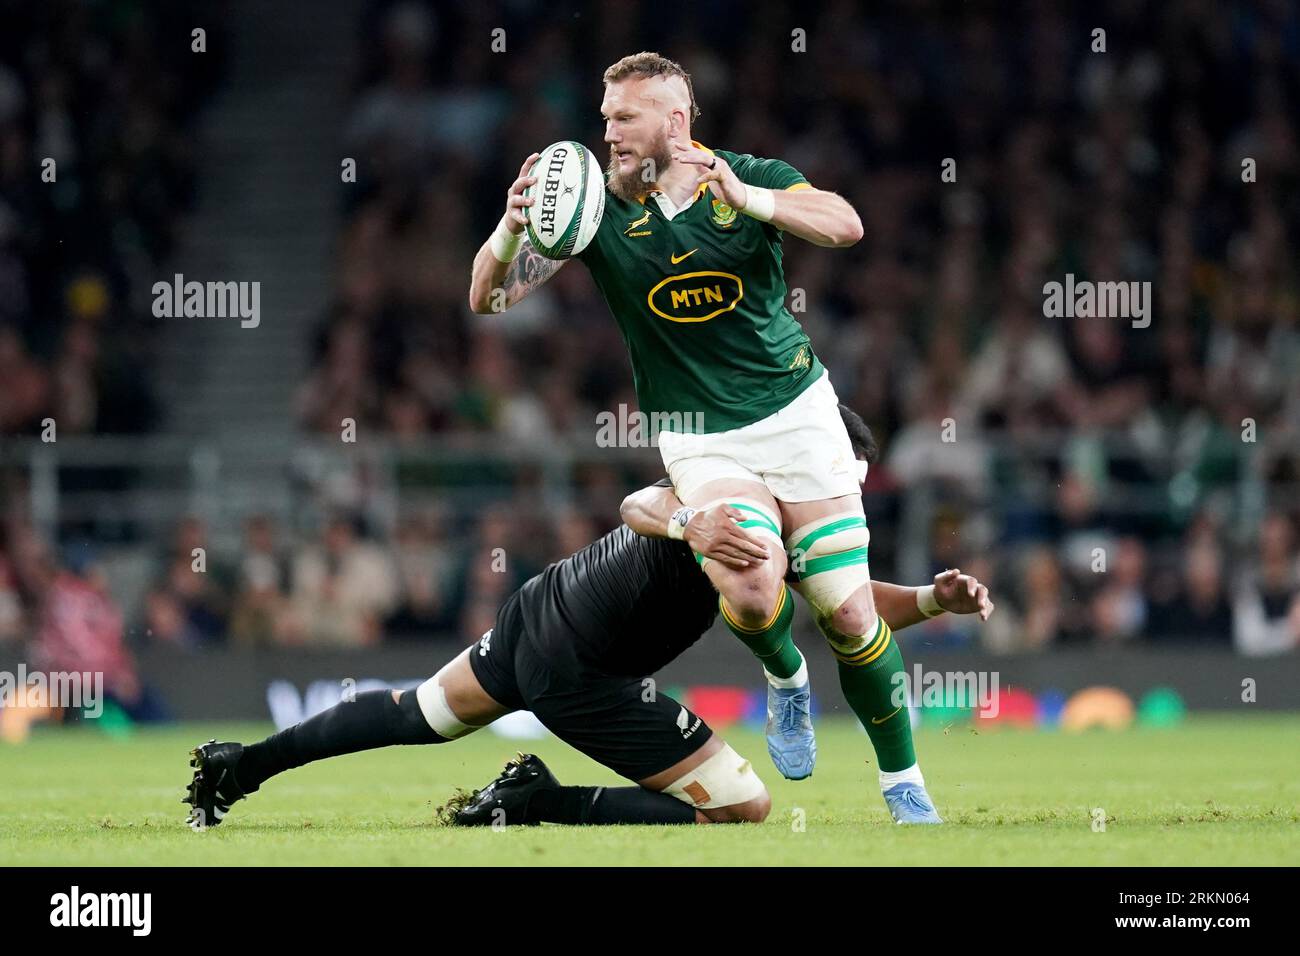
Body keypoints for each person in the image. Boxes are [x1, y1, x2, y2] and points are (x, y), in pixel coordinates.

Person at [184, 411, 993, 829]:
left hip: (544, 609)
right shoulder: (739, 499)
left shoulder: (751, 491)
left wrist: (928, 600)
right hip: (588, 672)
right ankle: (538, 801)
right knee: (741, 811)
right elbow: (644, 501)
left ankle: (241, 767)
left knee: (416, 715)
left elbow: (839, 602)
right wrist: (686, 525)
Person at [469, 52, 880, 784]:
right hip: (700, 435)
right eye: (605, 119)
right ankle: (788, 681)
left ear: (676, 120)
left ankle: (895, 778)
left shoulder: (748, 175)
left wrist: (750, 199)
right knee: (754, 583)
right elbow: (488, 300)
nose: (610, 133)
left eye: (625, 117)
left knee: (843, 609)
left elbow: (845, 224)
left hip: (791, 411)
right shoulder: (598, 210)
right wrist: (507, 231)